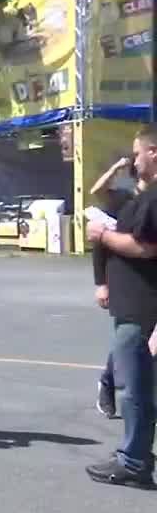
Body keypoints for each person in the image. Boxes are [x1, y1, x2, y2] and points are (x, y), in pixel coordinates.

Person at [84, 124, 157, 489]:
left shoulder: (154, 198)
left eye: (137, 153)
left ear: (153, 153)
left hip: (143, 307)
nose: (134, 159)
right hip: (132, 305)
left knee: (135, 389)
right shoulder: (139, 197)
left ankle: (135, 460)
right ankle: (135, 450)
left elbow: (147, 248)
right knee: (135, 386)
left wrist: (104, 236)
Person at [90, 156, 144, 419]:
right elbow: (99, 243)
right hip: (127, 280)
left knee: (136, 340)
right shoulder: (122, 199)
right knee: (130, 338)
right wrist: (101, 283)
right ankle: (109, 384)